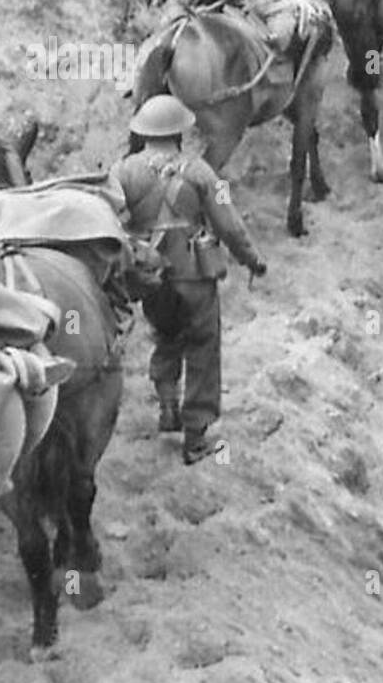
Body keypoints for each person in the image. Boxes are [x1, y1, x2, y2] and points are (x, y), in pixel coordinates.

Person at [110, 95, 267, 464]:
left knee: (165, 335)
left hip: (151, 277)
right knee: (203, 347)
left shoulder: (122, 171)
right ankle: (196, 435)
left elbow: (113, 222)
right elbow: (229, 223)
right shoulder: (201, 172)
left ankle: (167, 406)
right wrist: (252, 259)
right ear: (180, 131)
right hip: (195, 275)